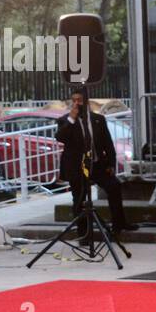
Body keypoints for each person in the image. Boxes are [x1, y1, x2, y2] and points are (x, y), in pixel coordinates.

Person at [55, 89, 135, 238]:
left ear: (86, 101)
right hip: (77, 167)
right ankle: (84, 234)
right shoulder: (65, 120)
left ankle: (119, 223)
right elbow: (60, 137)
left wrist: (111, 164)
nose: (76, 103)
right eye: (74, 100)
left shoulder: (98, 119)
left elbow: (107, 143)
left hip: (97, 164)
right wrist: (71, 119)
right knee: (79, 198)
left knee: (114, 187)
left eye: (79, 100)